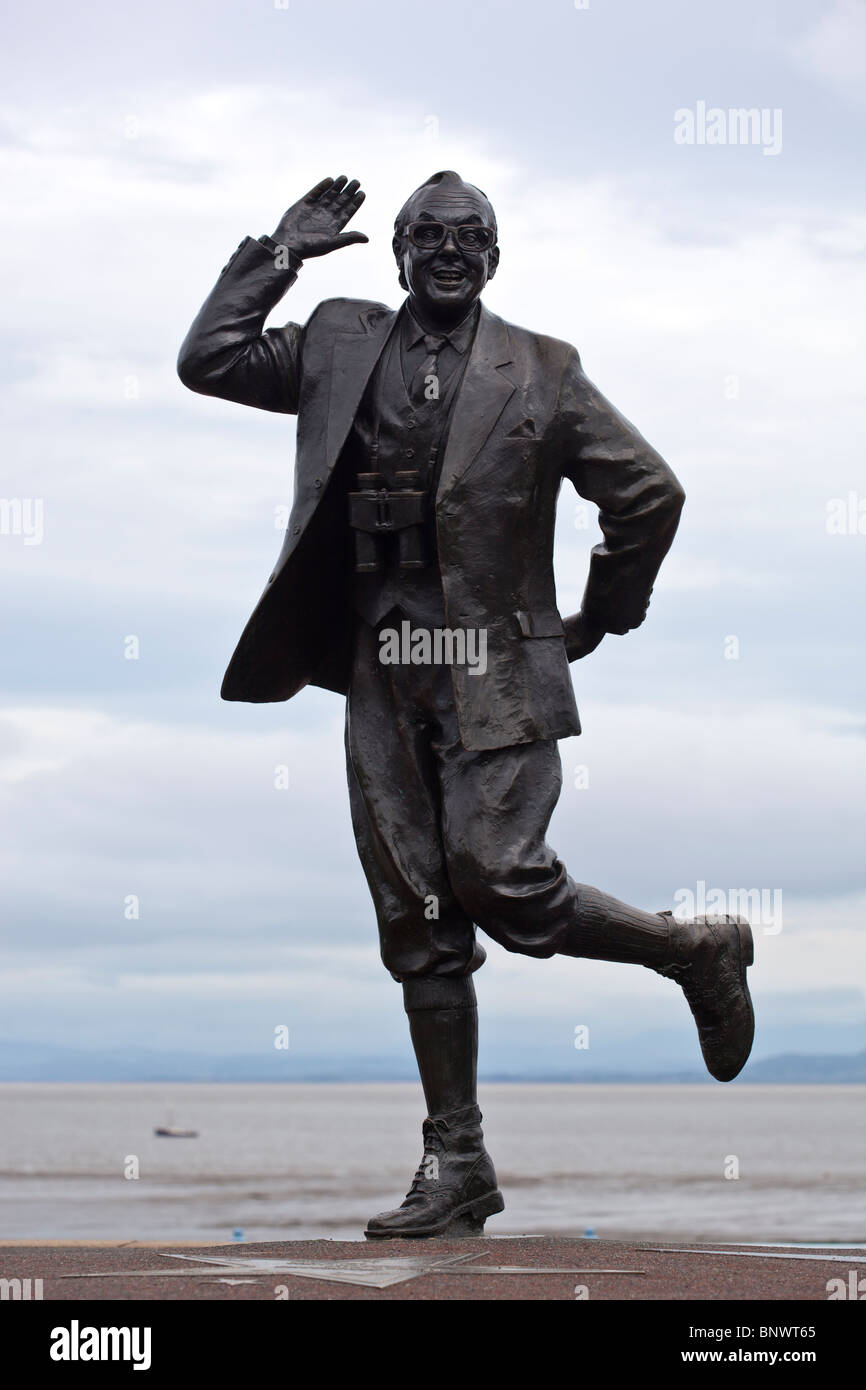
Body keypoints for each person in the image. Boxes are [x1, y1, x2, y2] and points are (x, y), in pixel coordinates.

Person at [177, 171, 755, 1238]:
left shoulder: (544, 369)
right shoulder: (337, 342)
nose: (448, 251)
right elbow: (206, 360)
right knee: (418, 920)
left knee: (499, 879)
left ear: (495, 255)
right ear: (395, 252)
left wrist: (597, 616)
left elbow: (647, 491)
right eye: (427, 237)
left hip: (495, 667)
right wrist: (280, 254)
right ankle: (458, 1161)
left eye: (469, 237)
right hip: (381, 665)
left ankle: (692, 949)